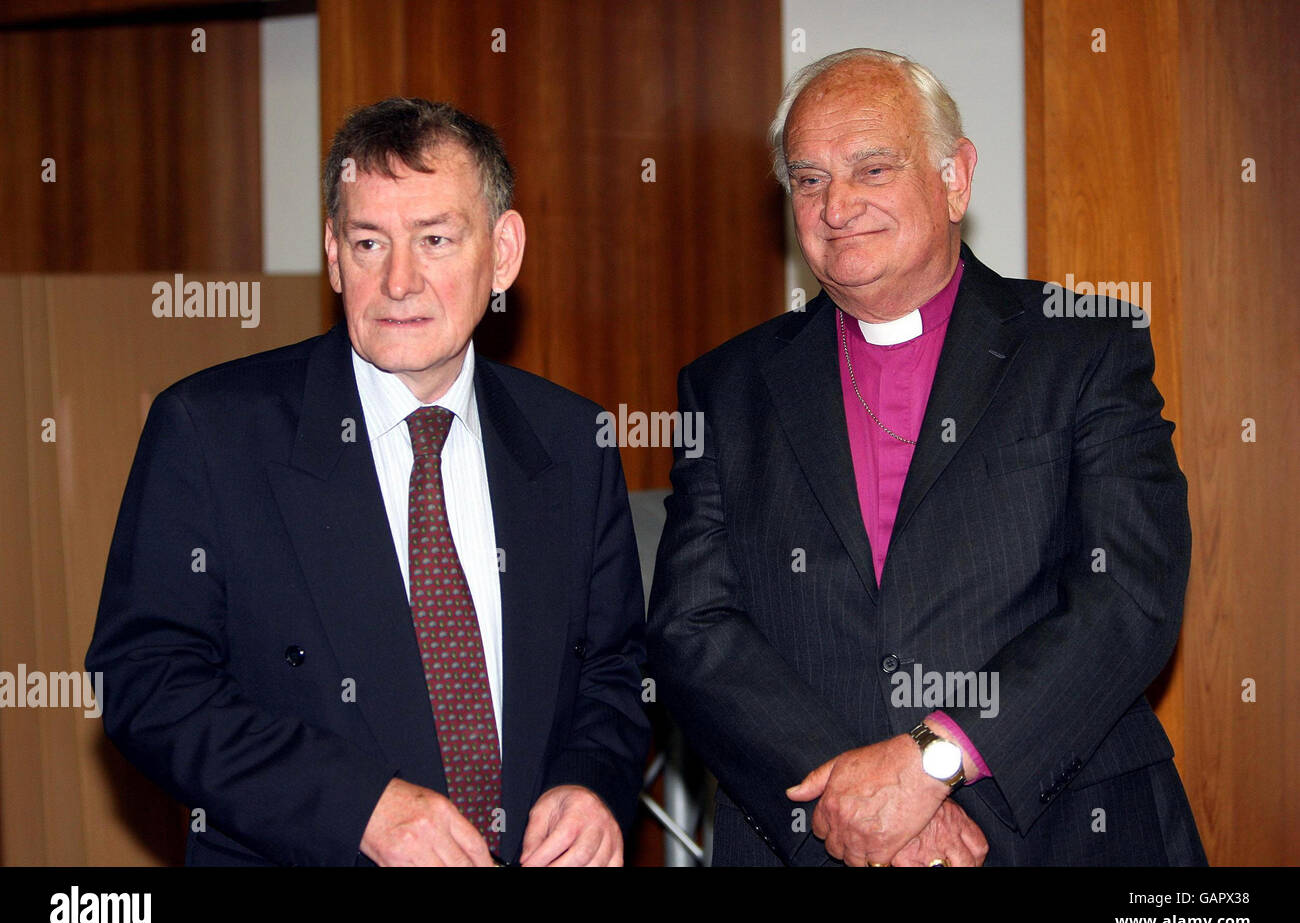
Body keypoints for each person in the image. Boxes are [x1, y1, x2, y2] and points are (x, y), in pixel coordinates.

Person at [646, 49, 1206, 866]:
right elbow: (693, 626)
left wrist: (935, 761)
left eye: (872, 168)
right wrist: (856, 794)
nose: (837, 207)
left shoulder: (1082, 350)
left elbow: (1129, 597)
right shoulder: (727, 387)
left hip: (1061, 829)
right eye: (807, 180)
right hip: (815, 833)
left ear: (955, 178)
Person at [87, 97, 649, 867]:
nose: (398, 281)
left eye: (436, 240)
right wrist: (360, 808)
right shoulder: (212, 430)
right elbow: (146, 686)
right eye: (368, 243)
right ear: (331, 252)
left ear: (504, 250)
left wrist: (590, 786)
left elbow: (614, 671)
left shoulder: (572, 443)